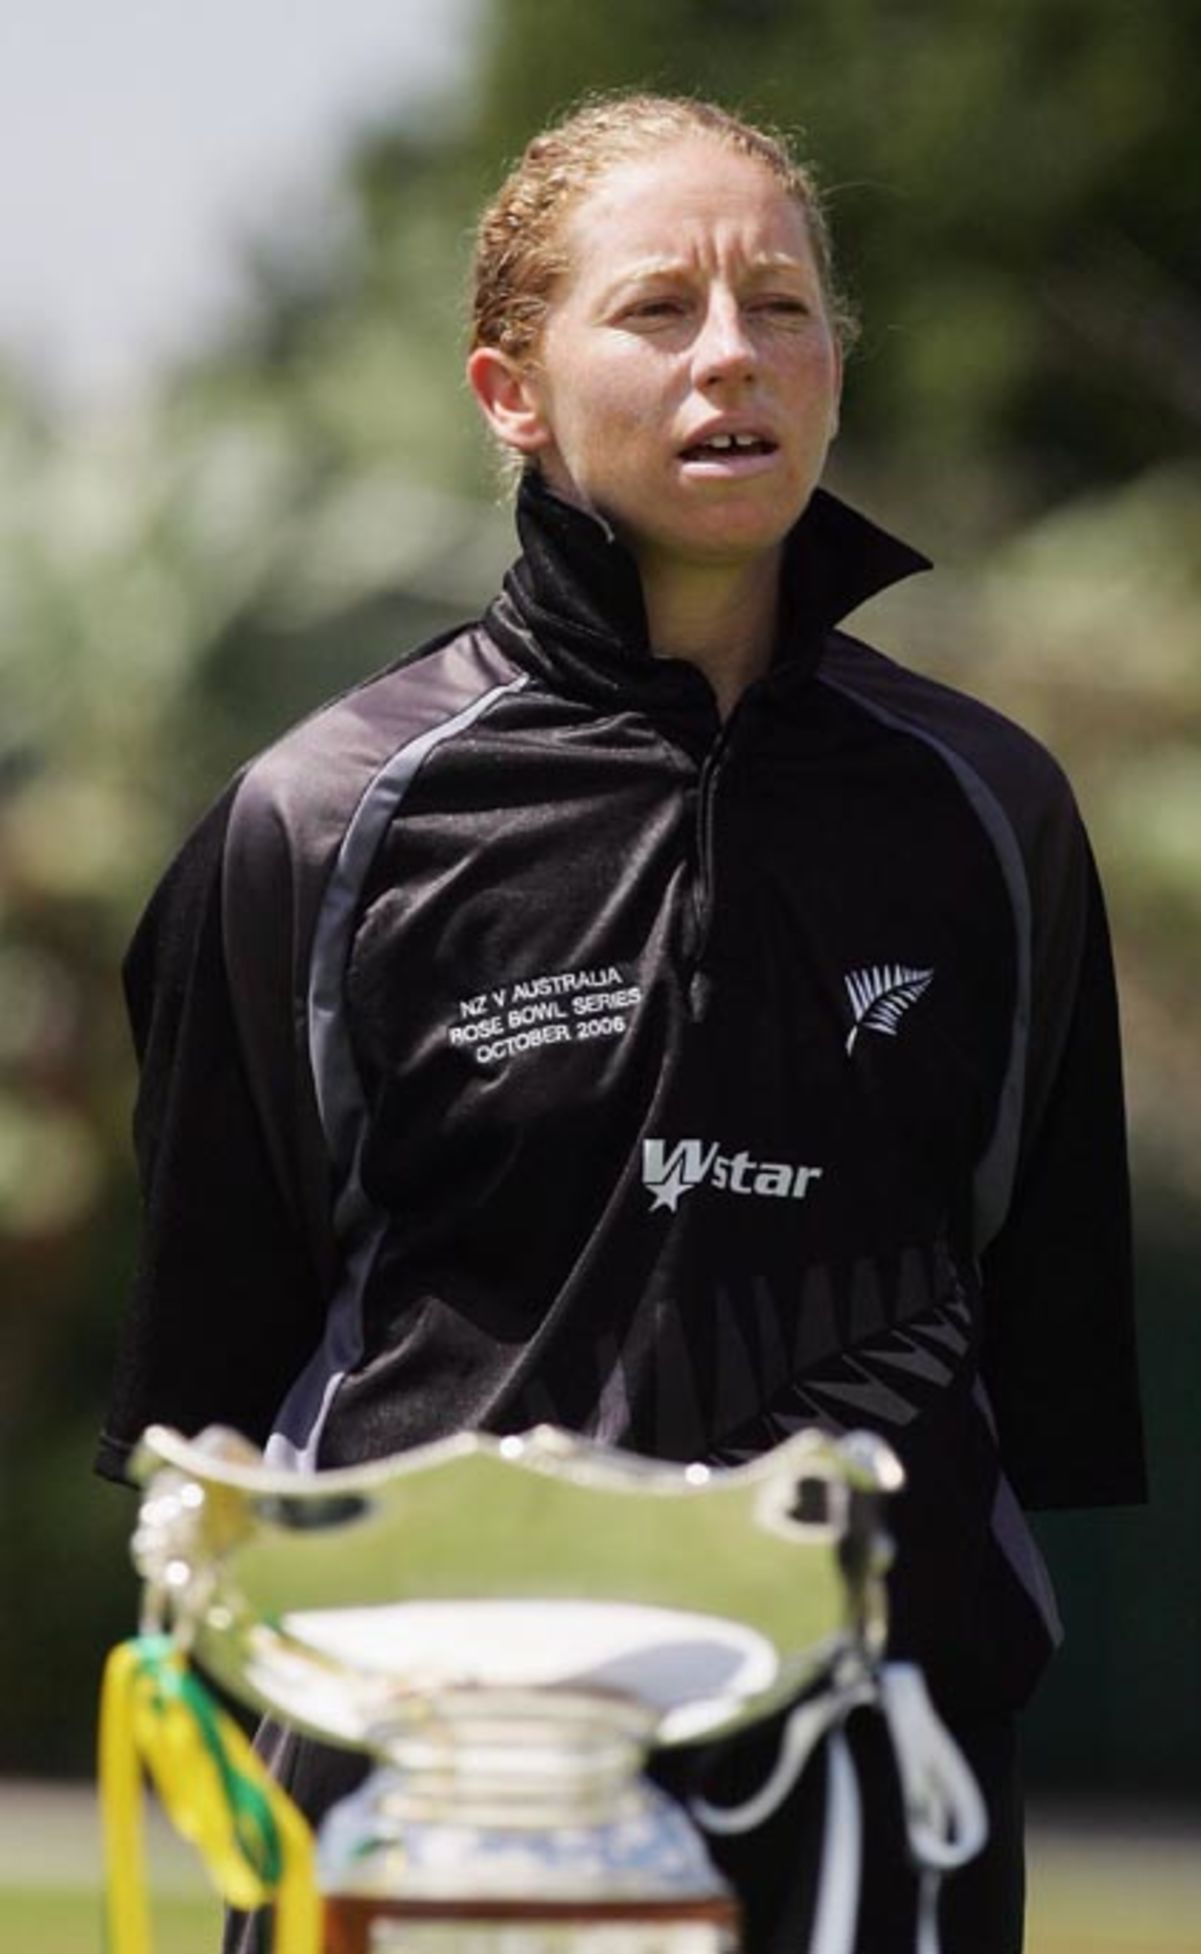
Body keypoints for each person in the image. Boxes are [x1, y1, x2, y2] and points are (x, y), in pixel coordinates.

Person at [96, 93, 1146, 1954]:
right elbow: (222, 1412)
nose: (735, 353)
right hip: (421, 1764)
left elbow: (1032, 1354)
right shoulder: (321, 820)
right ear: (512, 389)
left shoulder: (995, 814)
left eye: (785, 306)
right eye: (658, 310)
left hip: (863, 1775)